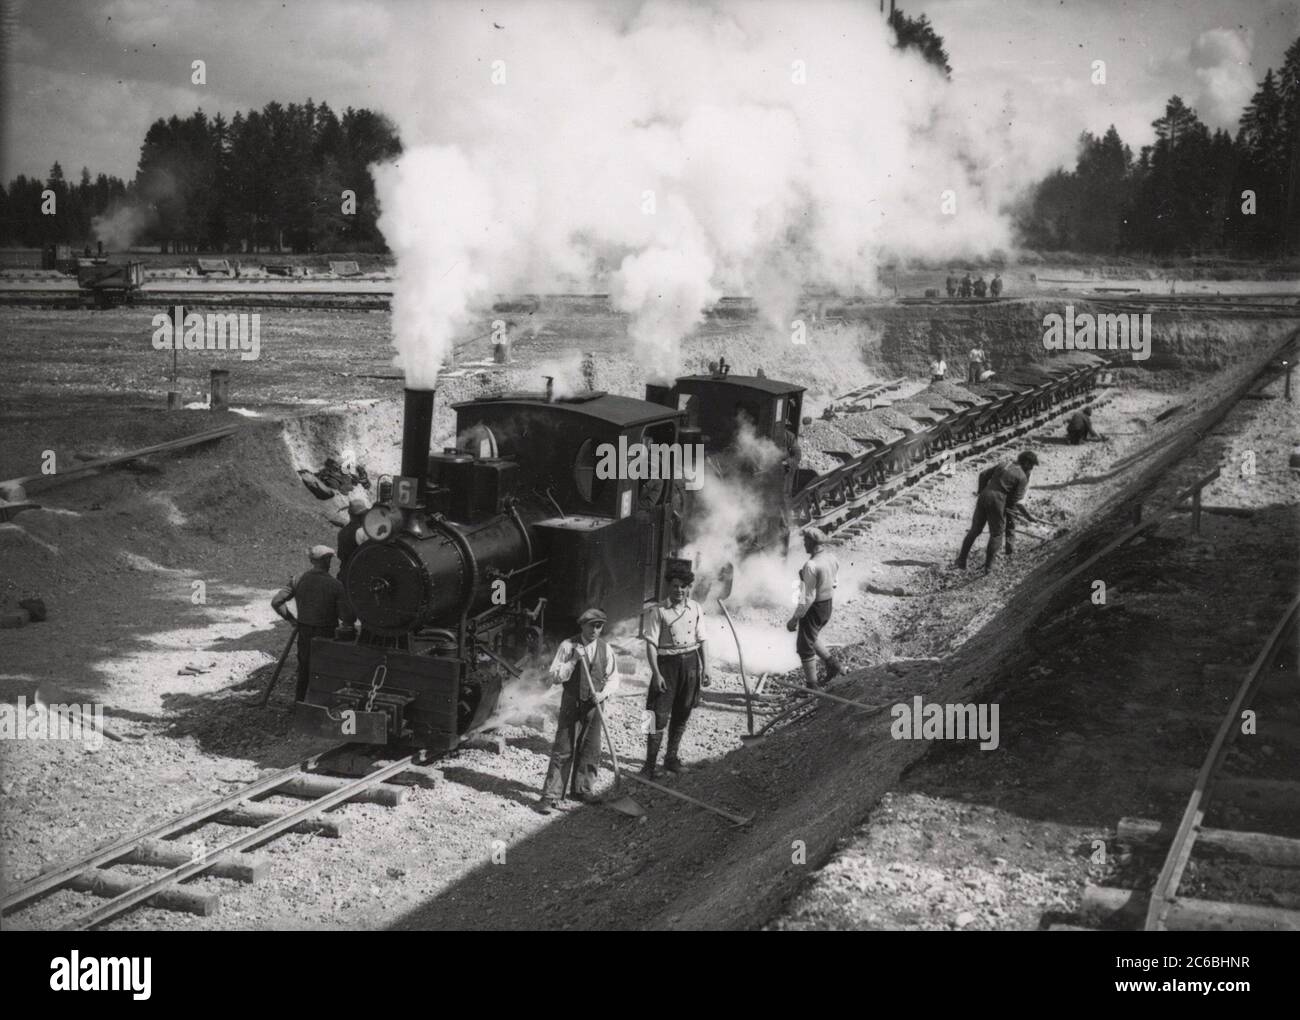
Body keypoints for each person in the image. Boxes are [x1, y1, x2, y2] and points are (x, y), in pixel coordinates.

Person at [537, 608, 620, 814]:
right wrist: (573, 660)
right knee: (563, 748)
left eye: (599, 626)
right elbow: (555, 676)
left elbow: (614, 678)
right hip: (572, 703)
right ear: (582, 625)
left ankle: (582, 790)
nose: (595, 630)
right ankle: (551, 795)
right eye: (591, 625)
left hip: (595, 705)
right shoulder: (568, 645)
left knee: (591, 748)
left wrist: (603, 695)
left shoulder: (605, 649)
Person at [641, 563, 709, 777]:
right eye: (674, 586)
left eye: (683, 587)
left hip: (690, 664)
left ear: (689, 588)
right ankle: (648, 765)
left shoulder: (696, 608)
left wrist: (706, 667)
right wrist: (657, 673)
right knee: (653, 714)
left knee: (683, 710)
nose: (678, 590)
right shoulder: (657, 611)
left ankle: (671, 758)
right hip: (666, 664)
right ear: (668, 587)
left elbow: (702, 640)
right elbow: (651, 644)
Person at [270, 546, 349, 702]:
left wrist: (293, 621)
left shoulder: (298, 579)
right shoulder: (335, 585)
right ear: (327, 561)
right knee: (326, 670)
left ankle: (299, 704)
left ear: (312, 561)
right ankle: (322, 706)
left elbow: (276, 602)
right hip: (327, 635)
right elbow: (346, 617)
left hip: (304, 632)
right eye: (329, 559)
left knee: (304, 669)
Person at [955, 452, 1043, 574]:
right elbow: (1015, 502)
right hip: (998, 500)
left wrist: (981, 492)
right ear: (1027, 463)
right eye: (1032, 465)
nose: (1032, 469)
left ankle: (961, 560)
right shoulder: (1022, 477)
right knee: (996, 534)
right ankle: (989, 568)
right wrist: (1027, 516)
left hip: (984, 495)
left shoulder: (1004, 464)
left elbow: (983, 475)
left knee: (975, 529)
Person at [787, 528, 843, 688]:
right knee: (811, 636)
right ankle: (834, 665)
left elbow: (808, 597)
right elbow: (834, 582)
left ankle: (812, 686)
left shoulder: (810, 565)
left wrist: (794, 619)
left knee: (804, 646)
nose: (804, 544)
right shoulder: (831, 558)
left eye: (805, 541)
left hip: (814, 607)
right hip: (827, 605)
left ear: (812, 542)